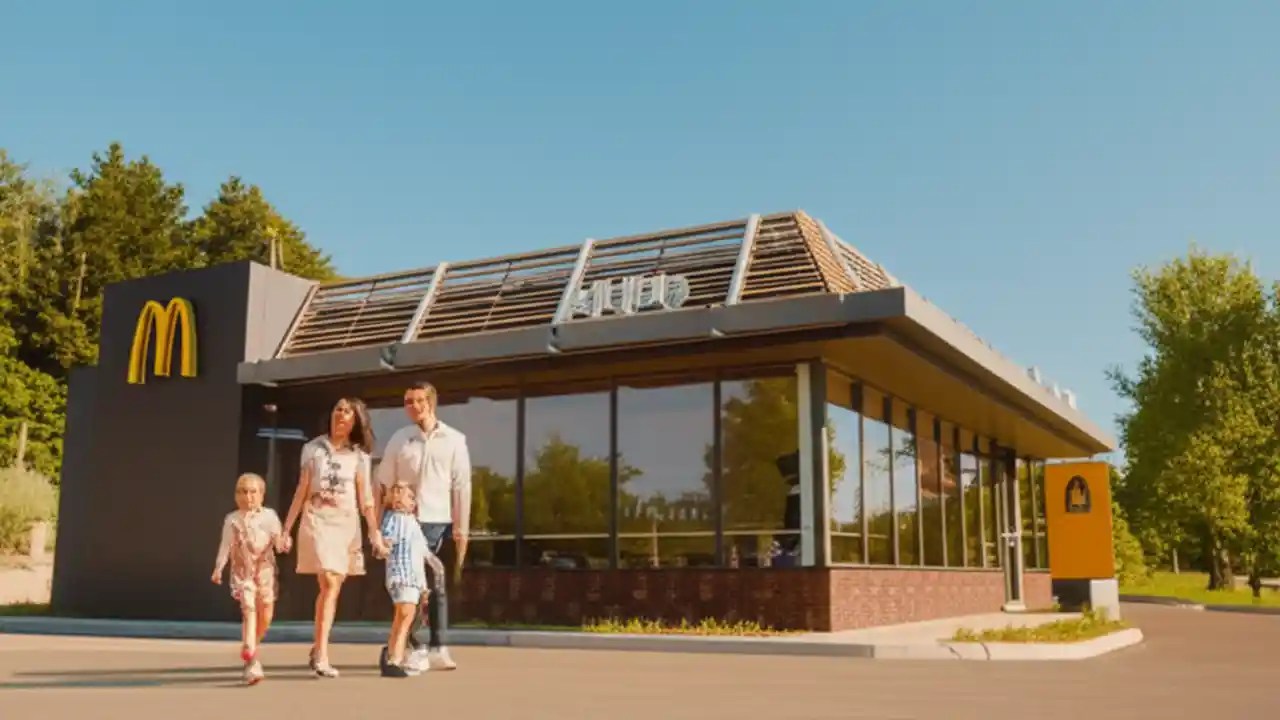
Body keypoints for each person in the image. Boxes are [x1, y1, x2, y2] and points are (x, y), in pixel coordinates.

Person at [280, 397, 387, 679]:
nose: (341, 414)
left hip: (346, 523)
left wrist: (374, 533)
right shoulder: (312, 448)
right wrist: (286, 528)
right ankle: (323, 653)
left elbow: (366, 500)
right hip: (317, 518)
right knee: (328, 577)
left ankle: (319, 647)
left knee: (332, 586)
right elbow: (301, 489)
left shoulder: (359, 457)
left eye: (348, 411)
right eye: (338, 409)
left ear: (355, 420)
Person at [376, 381, 471, 672]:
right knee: (412, 587)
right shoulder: (400, 439)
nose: (412, 406)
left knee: (437, 587)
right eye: (407, 401)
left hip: (439, 522)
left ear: (431, 403)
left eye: (418, 400)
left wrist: (461, 528)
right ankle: (415, 646)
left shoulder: (454, 439)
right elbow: (382, 484)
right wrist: (376, 529)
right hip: (406, 525)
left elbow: (462, 486)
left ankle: (439, 647)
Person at [211, 472, 283, 685]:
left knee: (266, 613)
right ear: (236, 495)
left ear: (262, 494)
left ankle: (253, 646)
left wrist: (282, 543)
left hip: (265, 572)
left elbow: (278, 541)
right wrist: (218, 568)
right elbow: (225, 547)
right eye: (243, 492)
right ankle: (250, 651)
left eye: (253, 492)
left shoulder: (269, 516)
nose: (248, 497)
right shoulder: (232, 520)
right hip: (243, 573)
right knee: (249, 607)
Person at [378, 478, 446, 678]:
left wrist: (434, 569)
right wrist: (383, 545)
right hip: (401, 575)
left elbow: (422, 551)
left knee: (403, 617)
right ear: (397, 500)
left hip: (413, 578)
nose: (413, 501)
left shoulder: (413, 524)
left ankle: (391, 655)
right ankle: (394, 659)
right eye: (409, 497)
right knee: (405, 615)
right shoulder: (394, 519)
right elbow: (387, 540)